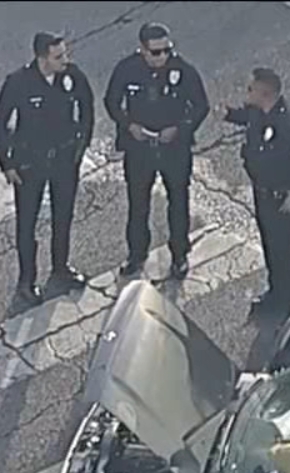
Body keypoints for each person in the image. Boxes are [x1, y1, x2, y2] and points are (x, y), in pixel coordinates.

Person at [0, 32, 96, 305]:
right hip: (31, 163)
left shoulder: (72, 77)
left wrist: (80, 148)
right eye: (58, 56)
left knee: (64, 217)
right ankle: (26, 282)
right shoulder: (18, 83)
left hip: (63, 160)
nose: (66, 59)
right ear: (42, 58)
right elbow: (1, 124)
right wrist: (8, 164)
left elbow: (87, 109)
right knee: (27, 224)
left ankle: (60, 269)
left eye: (65, 53)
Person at [105, 22, 209, 281]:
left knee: (178, 202)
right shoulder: (127, 69)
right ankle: (136, 253)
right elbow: (111, 101)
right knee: (138, 204)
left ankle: (179, 255)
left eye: (166, 50)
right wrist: (129, 125)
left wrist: (180, 129)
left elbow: (200, 106)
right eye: (155, 52)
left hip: (173, 147)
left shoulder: (182, 71)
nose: (162, 56)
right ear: (142, 49)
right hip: (140, 148)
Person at [223, 67, 290, 311]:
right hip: (264, 194)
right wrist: (228, 114)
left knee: (286, 252)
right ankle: (276, 292)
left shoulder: (287, 125)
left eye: (250, 89)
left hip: (283, 200)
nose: (246, 92)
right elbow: (247, 117)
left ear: (265, 94)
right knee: (271, 247)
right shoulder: (259, 112)